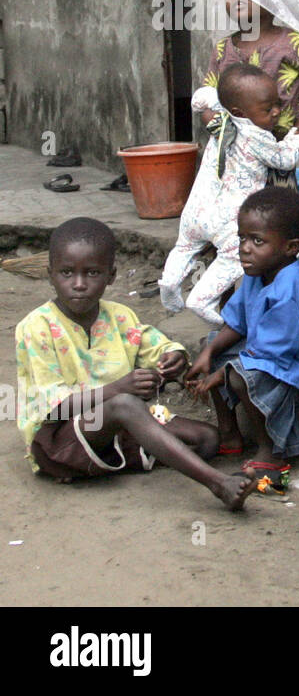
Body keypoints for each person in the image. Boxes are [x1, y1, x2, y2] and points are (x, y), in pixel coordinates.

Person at [15, 218, 257, 510]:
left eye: (92, 273)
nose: (78, 284)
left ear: (111, 275)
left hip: (113, 429)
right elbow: (55, 407)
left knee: (207, 439)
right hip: (58, 439)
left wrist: (174, 360)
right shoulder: (36, 327)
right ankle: (218, 484)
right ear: (50, 274)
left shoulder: (119, 316)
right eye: (67, 273)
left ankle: (104, 463)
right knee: (126, 404)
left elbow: (159, 346)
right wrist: (117, 389)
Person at [186, 187, 299, 491]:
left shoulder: (290, 286)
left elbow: (272, 353)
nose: (245, 249)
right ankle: (229, 434)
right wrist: (209, 353)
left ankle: (272, 451)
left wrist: (219, 376)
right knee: (213, 344)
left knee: (239, 376)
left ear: (290, 247)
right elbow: (238, 323)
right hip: (275, 355)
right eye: (242, 238)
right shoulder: (256, 274)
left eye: (257, 241)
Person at [159, 63, 299, 325]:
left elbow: (201, 97)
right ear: (241, 111)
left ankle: (169, 283)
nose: (276, 112)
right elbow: (284, 160)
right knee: (233, 258)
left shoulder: (221, 117)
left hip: (197, 210)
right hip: (228, 219)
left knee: (184, 247)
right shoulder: (256, 136)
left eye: (277, 104)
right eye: (268, 108)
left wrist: (219, 97)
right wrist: (295, 138)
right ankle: (202, 299)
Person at [199, 0, 299, 186]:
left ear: (271, 0)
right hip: (235, 160)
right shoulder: (222, 49)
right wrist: (224, 130)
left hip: (279, 154)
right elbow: (207, 100)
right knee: (235, 211)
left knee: (278, 209)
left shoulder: (292, 43)